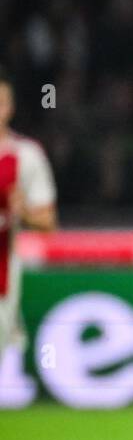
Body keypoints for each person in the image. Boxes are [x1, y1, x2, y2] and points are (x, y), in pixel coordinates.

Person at [0, 67, 59, 360]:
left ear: (10, 107)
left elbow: (48, 222)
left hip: (3, 270)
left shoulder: (26, 155)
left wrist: (21, 211)